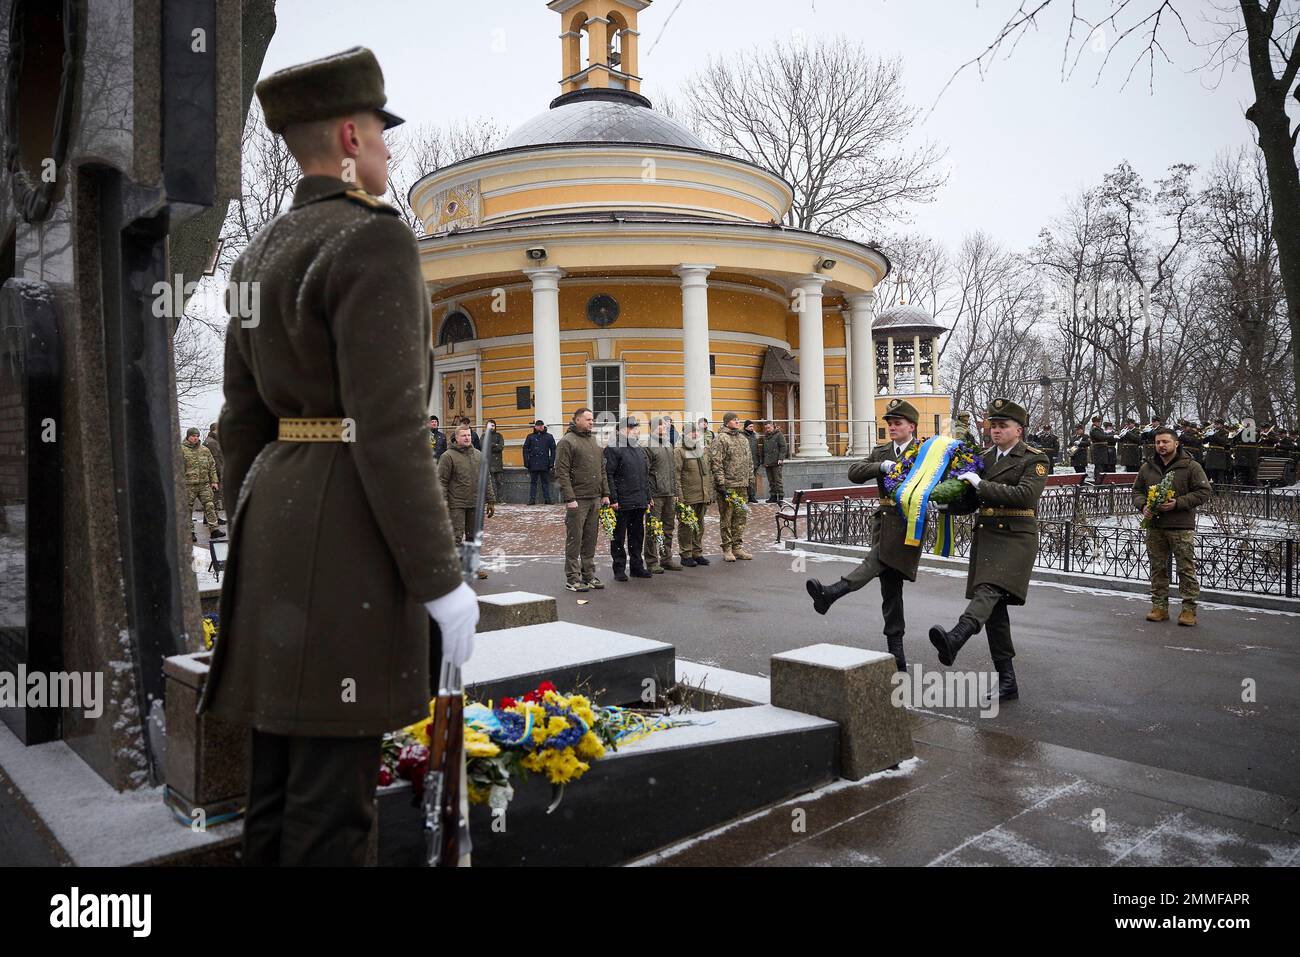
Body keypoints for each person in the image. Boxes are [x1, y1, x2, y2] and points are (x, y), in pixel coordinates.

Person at [197, 47, 478, 867]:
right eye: (384, 134)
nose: (390, 150)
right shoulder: (374, 244)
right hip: (346, 536)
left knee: (278, 787)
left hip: (274, 526)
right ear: (351, 137)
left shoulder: (259, 256)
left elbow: (239, 425)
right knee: (334, 807)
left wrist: (251, 533)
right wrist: (440, 581)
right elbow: (388, 431)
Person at [928, 398, 1051, 702]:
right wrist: (948, 502)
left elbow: (1024, 496)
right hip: (987, 537)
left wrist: (979, 485)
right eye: (992, 425)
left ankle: (956, 637)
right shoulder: (984, 458)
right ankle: (1007, 681)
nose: (995, 430)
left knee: (989, 591)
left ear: (1018, 430)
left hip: (1016, 537)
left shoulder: (1034, 459)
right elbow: (972, 501)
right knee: (995, 613)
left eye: (1002, 426)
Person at [804, 398, 921, 672]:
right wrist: (880, 467)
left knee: (876, 561)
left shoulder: (925, 453)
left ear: (911, 426)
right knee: (890, 590)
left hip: (908, 524)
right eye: (890, 423)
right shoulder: (881, 452)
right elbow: (854, 472)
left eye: (898, 423)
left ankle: (832, 593)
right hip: (884, 522)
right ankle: (897, 655)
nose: (892, 427)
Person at [1132, 427, 1212, 626]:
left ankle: (1188, 610)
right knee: (1157, 568)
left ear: (1176, 443)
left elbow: (1203, 491)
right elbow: (1136, 491)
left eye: (1165, 442)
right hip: (1155, 526)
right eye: (1158, 442)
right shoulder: (1148, 466)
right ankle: (1159, 607)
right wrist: (1143, 506)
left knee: (1185, 569)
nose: (1161, 445)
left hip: (1180, 526)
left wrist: (1178, 503)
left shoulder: (1191, 466)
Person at [554, 407, 611, 592]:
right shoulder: (567, 442)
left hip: (594, 498)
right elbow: (561, 472)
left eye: (592, 419)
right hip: (577, 500)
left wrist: (605, 493)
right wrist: (570, 498)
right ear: (577, 420)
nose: (591, 422)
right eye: (587, 419)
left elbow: (601, 470)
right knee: (575, 539)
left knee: (590, 540)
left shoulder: (594, 442)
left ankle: (588, 575)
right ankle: (573, 578)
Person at [438, 424, 496, 580]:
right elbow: (441, 481)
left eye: (469, 435)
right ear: (456, 438)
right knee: (456, 537)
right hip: (456, 503)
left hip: (475, 503)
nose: (467, 438)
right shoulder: (448, 456)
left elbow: (486, 479)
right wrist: (442, 502)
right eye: (463, 435)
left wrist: (491, 500)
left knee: (473, 537)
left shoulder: (478, 455)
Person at [604, 416, 653, 581]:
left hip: (639, 500)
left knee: (637, 536)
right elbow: (609, 474)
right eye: (631, 428)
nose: (635, 431)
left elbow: (644, 475)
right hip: (622, 502)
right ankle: (619, 569)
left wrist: (648, 497)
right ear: (620, 430)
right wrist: (613, 498)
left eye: (636, 428)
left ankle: (637, 567)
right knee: (618, 537)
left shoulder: (638, 448)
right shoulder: (613, 448)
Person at [710, 412, 753, 561]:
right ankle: (727, 548)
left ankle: (737, 547)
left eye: (738, 420)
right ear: (727, 422)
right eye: (734, 420)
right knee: (727, 518)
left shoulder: (743, 439)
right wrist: (720, 483)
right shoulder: (720, 439)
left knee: (740, 517)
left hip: (742, 484)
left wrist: (750, 479)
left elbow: (749, 461)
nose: (737, 422)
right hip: (728, 486)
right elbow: (716, 462)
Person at [644, 416, 682, 573]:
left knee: (668, 527)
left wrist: (676, 492)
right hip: (656, 494)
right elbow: (644, 473)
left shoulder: (668, 443)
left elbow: (673, 470)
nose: (664, 427)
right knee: (654, 528)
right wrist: (648, 495)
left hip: (669, 493)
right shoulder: (647, 446)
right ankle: (652, 561)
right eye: (660, 425)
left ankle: (666, 558)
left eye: (665, 425)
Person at [674, 422, 714, 567]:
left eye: (696, 432)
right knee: (686, 527)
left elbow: (707, 473)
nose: (695, 434)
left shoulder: (701, 450)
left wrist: (708, 493)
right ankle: (686, 554)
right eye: (692, 432)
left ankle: (697, 553)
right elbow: (676, 475)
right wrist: (680, 496)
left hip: (701, 495)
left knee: (699, 525)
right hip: (688, 496)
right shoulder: (679, 451)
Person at [181, 427, 224, 541]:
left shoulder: (204, 450)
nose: (196, 438)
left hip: (204, 484)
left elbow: (212, 467)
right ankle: (190, 532)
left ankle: (214, 529)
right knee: (187, 509)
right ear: (188, 436)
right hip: (188, 485)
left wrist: (214, 481)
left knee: (210, 505)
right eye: (193, 436)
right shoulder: (180, 450)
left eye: (197, 436)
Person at [523, 419, 556, 504]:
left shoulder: (549, 436)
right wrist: (526, 462)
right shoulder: (530, 436)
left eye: (541, 425)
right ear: (535, 426)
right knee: (533, 482)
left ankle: (547, 499)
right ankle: (532, 500)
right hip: (533, 463)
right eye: (538, 425)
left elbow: (553, 450)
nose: (540, 427)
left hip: (545, 463)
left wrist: (551, 462)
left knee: (545, 482)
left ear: (543, 426)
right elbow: (525, 449)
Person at [761, 420, 788, 503]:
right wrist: (763, 461)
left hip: (777, 462)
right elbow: (763, 449)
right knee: (771, 481)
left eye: (769, 427)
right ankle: (773, 496)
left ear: (773, 426)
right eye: (766, 428)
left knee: (778, 480)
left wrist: (781, 458)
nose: (767, 429)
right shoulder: (765, 436)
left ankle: (780, 496)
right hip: (768, 462)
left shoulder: (779, 435)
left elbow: (783, 447)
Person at [204, 422, 226, 522]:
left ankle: (208, 517)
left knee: (211, 496)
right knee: (215, 496)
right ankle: (213, 518)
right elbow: (215, 460)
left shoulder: (210, 441)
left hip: (212, 472)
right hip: (215, 473)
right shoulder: (212, 443)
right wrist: (219, 474)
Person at [1203, 418, 1231, 484]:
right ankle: (1214, 490)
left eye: (1217, 424)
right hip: (1211, 455)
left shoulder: (1225, 432)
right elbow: (1204, 442)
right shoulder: (1212, 431)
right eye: (1215, 424)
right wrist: (1206, 435)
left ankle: (1220, 490)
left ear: (1221, 425)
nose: (1215, 425)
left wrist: (1214, 434)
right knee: (1212, 474)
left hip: (1219, 455)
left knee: (1220, 475)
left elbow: (1223, 442)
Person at [484, 418, 505, 501]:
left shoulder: (499, 436)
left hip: (498, 464)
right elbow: (483, 446)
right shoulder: (484, 436)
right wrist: (494, 445)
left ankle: (500, 499)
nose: (492, 427)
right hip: (488, 463)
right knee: (490, 484)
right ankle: (491, 500)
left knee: (499, 483)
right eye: (490, 426)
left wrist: (491, 446)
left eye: (493, 425)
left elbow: (500, 447)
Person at [743, 420, 761, 503]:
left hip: (754, 461)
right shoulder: (741, 435)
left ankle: (752, 496)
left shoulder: (754, 435)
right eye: (750, 426)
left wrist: (758, 460)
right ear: (746, 427)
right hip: (745, 462)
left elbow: (757, 448)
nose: (752, 428)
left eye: (752, 426)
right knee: (745, 480)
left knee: (752, 480)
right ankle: (745, 496)